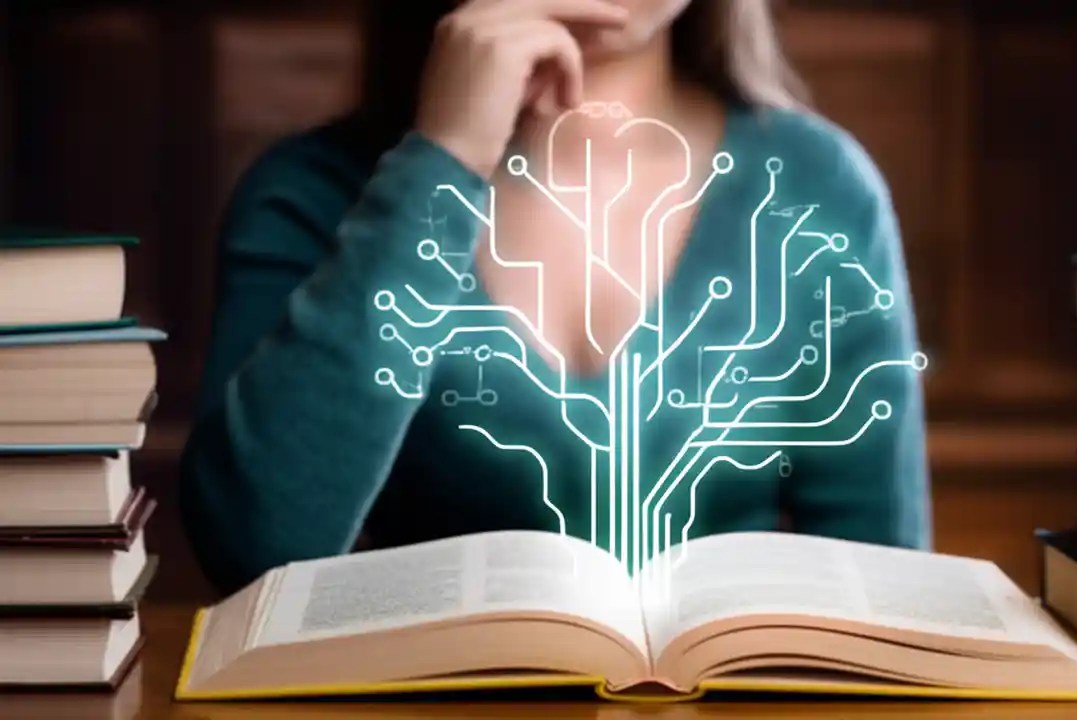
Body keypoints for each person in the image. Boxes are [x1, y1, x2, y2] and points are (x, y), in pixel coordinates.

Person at [181, 0, 930, 595]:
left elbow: (884, 589)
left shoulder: (820, 188)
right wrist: (443, 163)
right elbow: (254, 550)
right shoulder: (311, 193)